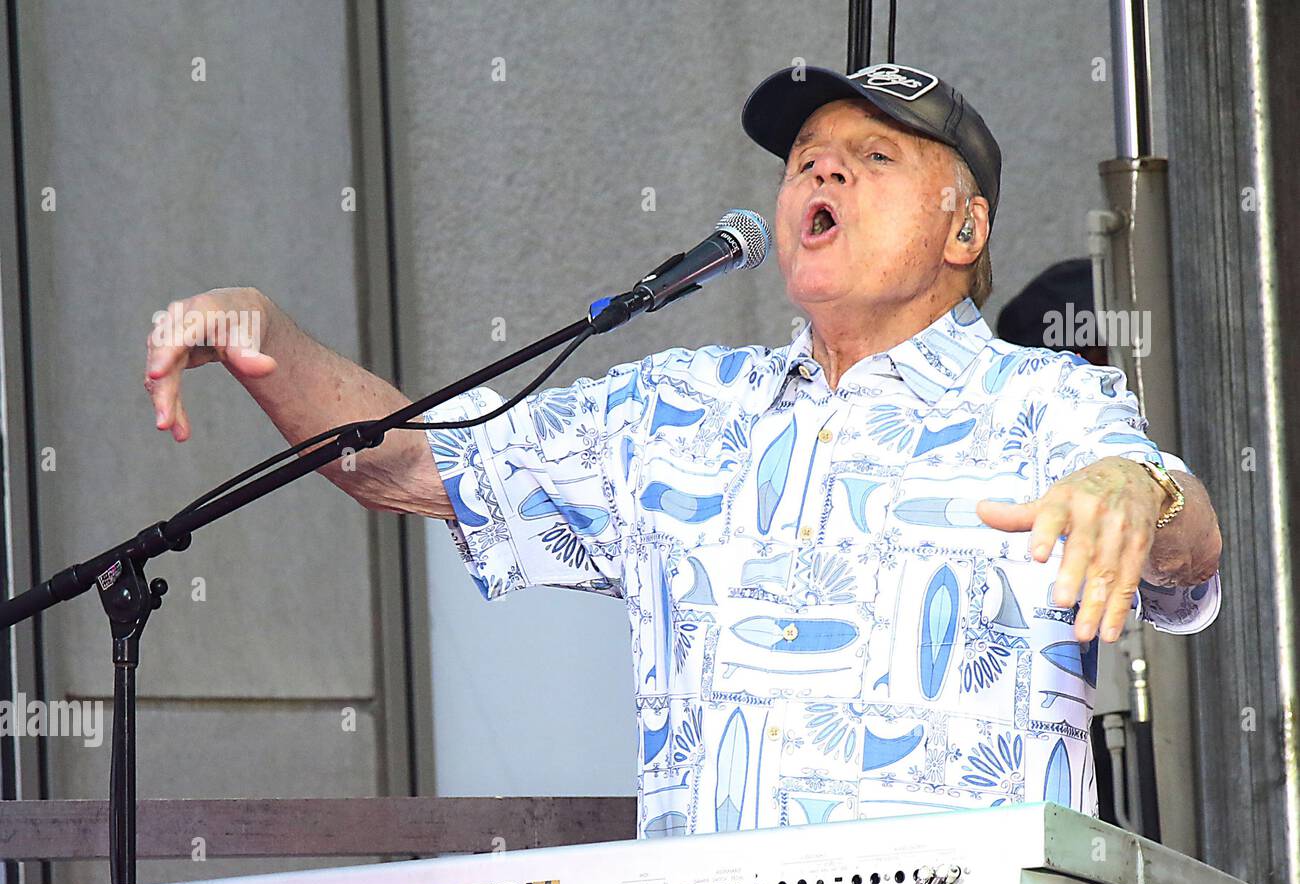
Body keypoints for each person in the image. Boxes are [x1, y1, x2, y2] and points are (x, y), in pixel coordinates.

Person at [143, 62, 1222, 837]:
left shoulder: (1046, 401)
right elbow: (407, 463)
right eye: (806, 161)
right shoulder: (673, 409)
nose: (821, 178)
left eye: (871, 158)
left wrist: (1135, 489)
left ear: (963, 232)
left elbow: (1192, 547)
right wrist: (268, 342)